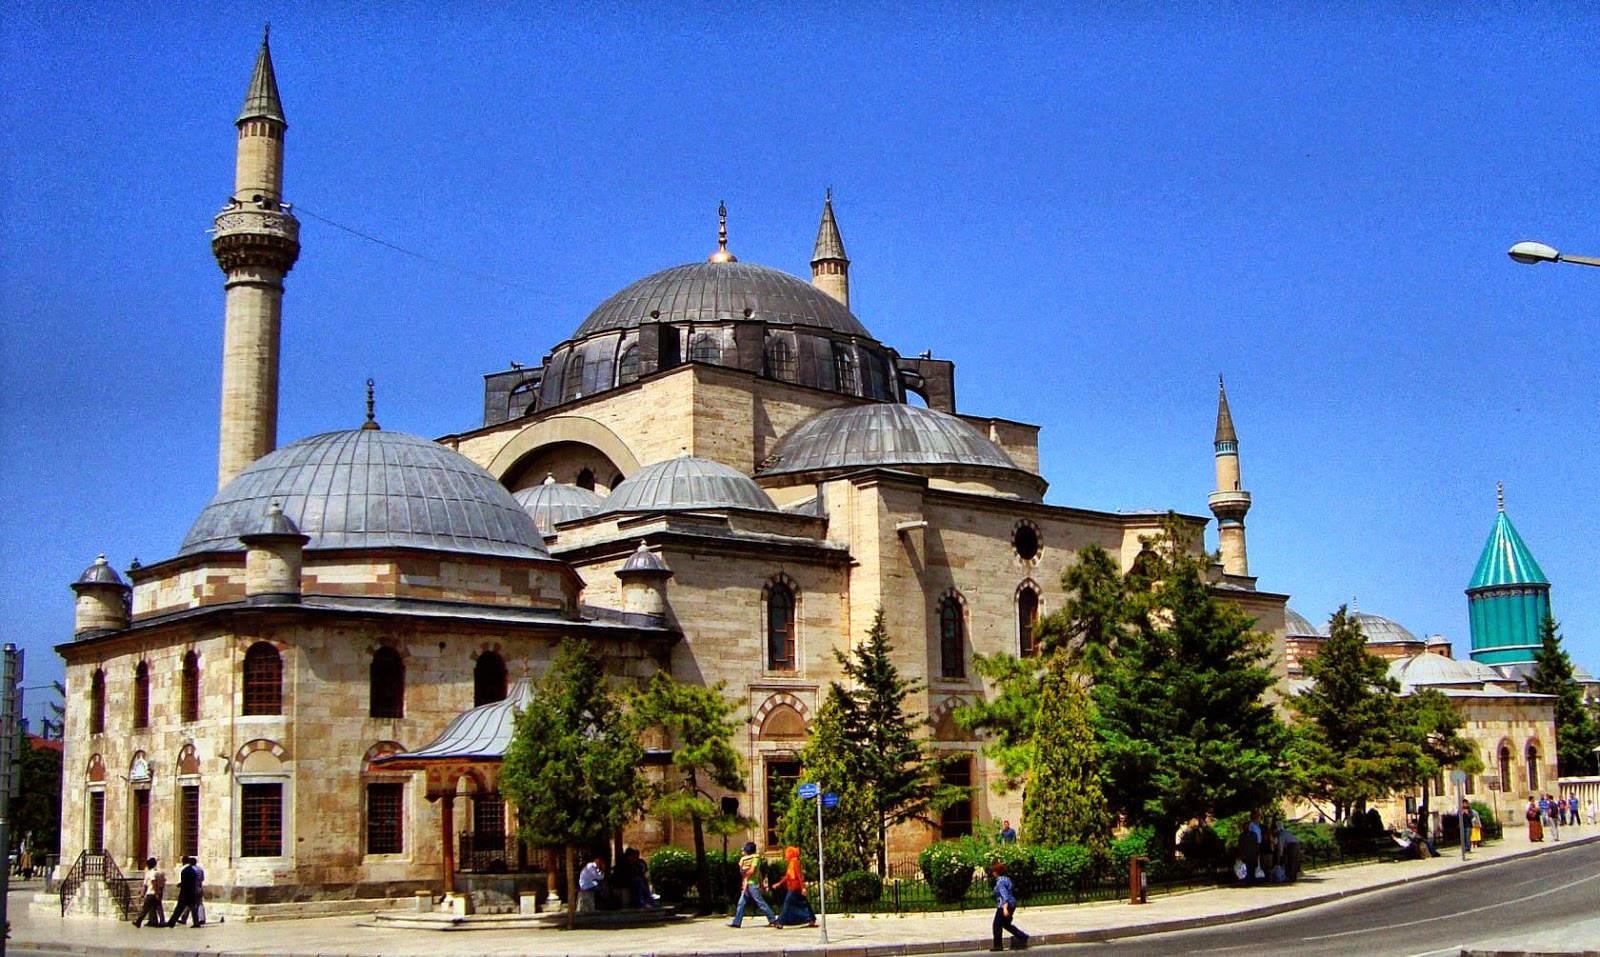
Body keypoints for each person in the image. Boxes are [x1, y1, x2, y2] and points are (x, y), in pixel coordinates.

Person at [729, 842, 780, 929]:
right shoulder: (749, 859)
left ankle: (772, 920)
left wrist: (745, 878)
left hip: (752, 884)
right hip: (748, 885)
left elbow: (753, 870)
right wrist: (760, 883)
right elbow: (759, 873)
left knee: (760, 903)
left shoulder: (755, 859)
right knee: (741, 903)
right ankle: (737, 922)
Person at [989, 862, 1028, 951]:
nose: (992, 873)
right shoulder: (1007, 879)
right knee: (1006, 924)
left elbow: (1004, 895)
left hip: (1004, 906)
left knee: (997, 925)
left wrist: (1005, 908)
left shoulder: (1000, 882)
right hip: (1012, 904)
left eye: (993, 871)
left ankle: (998, 945)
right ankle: (1022, 936)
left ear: (996, 872)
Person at [774, 846, 816, 927]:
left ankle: (780, 922)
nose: (785, 855)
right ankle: (811, 919)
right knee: (804, 902)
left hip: (795, 887)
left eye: (787, 853)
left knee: (787, 903)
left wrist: (803, 887)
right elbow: (788, 876)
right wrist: (779, 883)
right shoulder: (790, 863)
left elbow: (799, 875)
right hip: (792, 886)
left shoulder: (795, 862)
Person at [132, 857, 167, 928]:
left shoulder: (151, 873)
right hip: (157, 892)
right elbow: (164, 881)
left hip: (151, 893)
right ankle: (159, 921)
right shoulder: (159, 872)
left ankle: (139, 921)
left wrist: (154, 893)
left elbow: (153, 883)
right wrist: (160, 890)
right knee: (158, 907)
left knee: (145, 908)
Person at [167, 857, 201, 927]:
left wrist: (180, 885)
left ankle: (171, 922)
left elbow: (184, 882)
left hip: (185, 893)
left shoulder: (184, 871)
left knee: (179, 908)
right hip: (191, 892)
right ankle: (196, 922)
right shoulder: (193, 871)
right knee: (193, 908)